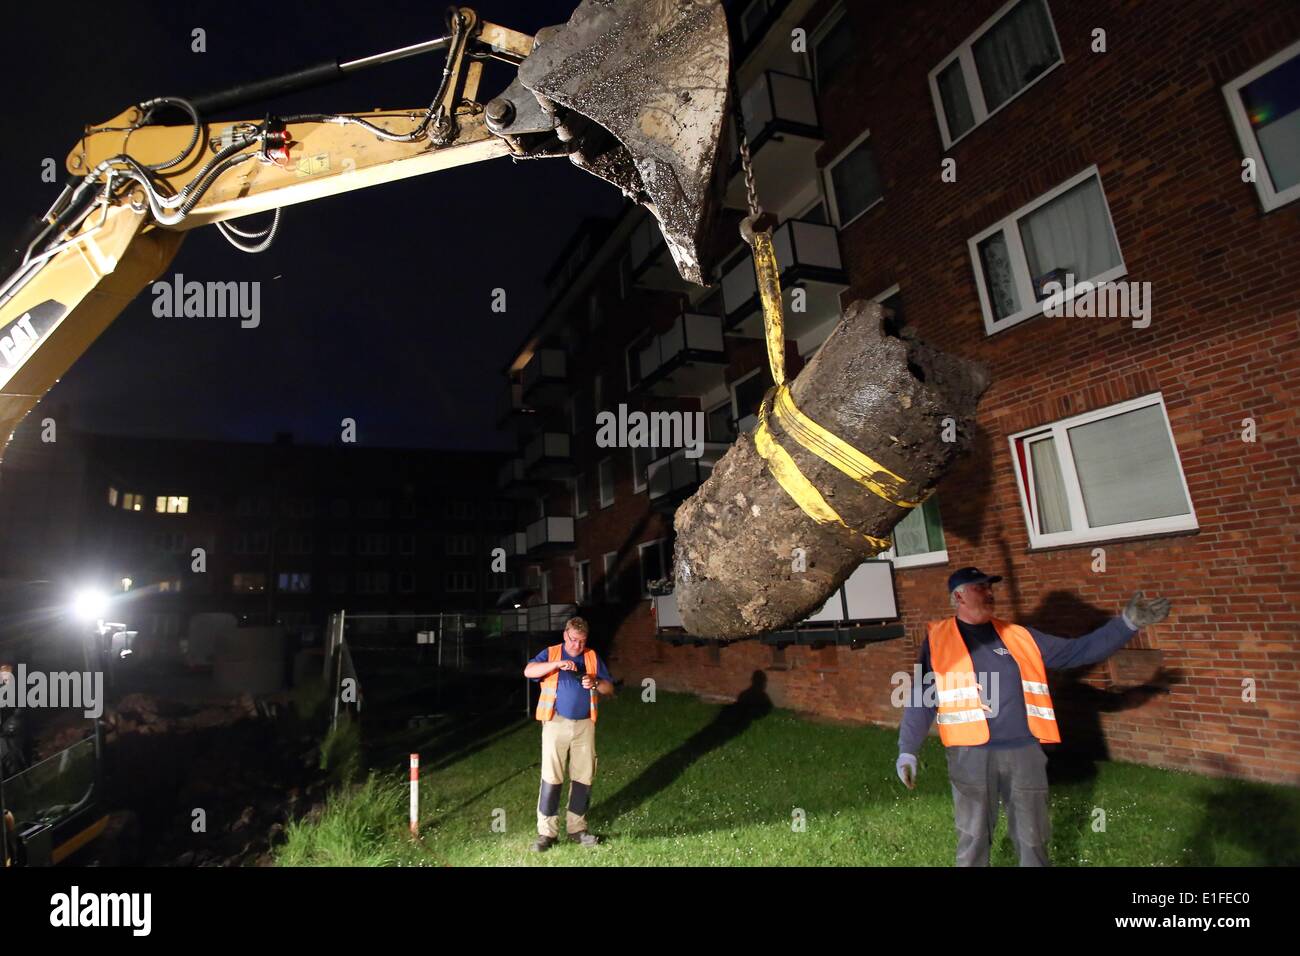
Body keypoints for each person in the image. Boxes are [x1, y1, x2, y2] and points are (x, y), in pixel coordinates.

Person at [895, 567, 1170, 866]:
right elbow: (922, 698)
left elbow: (1078, 651)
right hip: (970, 756)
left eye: (990, 587)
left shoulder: (1019, 636)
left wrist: (1127, 624)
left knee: (1032, 836)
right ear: (958, 596)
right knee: (973, 837)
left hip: (1024, 752)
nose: (989, 593)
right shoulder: (938, 641)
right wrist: (907, 751)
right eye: (980, 588)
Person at [523, 617, 614, 851]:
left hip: (584, 725)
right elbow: (529, 671)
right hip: (555, 722)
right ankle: (547, 833)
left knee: (583, 777)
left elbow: (609, 688)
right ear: (565, 635)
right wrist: (557, 664)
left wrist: (594, 682)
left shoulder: (591, 657)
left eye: (582, 642)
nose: (577, 646)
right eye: (573, 640)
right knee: (552, 777)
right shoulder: (551, 653)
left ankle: (577, 829)